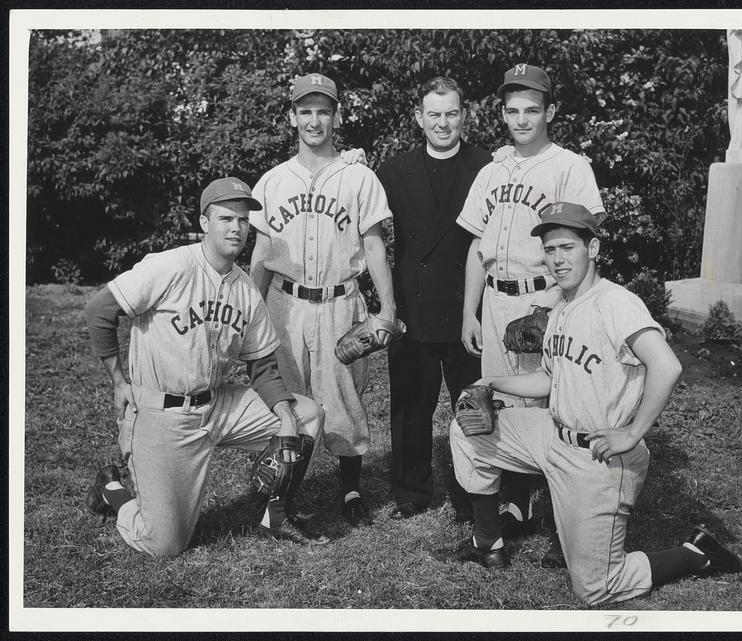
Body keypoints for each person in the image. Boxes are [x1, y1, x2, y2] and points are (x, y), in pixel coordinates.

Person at [438, 202, 742, 605]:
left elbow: (666, 366)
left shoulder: (616, 303)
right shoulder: (562, 305)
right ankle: (488, 542)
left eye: (567, 247)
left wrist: (632, 433)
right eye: (550, 250)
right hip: (552, 435)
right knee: (467, 430)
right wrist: (491, 382)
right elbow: (549, 378)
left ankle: (697, 554)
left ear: (593, 248)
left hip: (597, 457)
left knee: (596, 588)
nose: (557, 259)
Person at [84, 177, 327, 557]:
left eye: (244, 221)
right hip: (162, 415)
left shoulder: (246, 289)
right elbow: (99, 311)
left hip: (218, 405)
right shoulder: (169, 267)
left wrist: (284, 416)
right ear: (204, 222)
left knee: (307, 414)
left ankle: (276, 517)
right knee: (164, 545)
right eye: (226, 218)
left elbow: (262, 367)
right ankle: (112, 491)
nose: (236, 228)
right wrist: (119, 381)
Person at [456, 63, 606, 544]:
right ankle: (510, 509)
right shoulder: (492, 169)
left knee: (545, 402)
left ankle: (549, 508)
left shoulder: (569, 166)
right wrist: (470, 311)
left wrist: (554, 308)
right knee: (497, 403)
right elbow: (477, 247)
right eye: (512, 110)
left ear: (550, 112)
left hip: (544, 296)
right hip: (497, 297)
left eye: (532, 110)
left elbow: (583, 242)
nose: (522, 120)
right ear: (502, 113)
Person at [248, 73, 397, 528]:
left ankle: (351, 489)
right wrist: (248, 314)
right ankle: (280, 491)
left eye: (323, 110)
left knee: (344, 395)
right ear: (292, 117)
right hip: (283, 302)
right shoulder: (272, 181)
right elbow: (259, 254)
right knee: (285, 396)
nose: (315, 120)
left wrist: (386, 310)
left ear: (337, 115)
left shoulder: (358, 176)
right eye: (306, 111)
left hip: (340, 302)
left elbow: (374, 246)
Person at [376, 77, 489, 521]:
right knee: (410, 406)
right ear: (419, 118)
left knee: (474, 406)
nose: (443, 123)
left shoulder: (487, 167)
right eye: (434, 115)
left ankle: (474, 492)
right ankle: (411, 491)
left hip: (468, 308)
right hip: (412, 306)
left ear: (464, 115)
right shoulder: (392, 170)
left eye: (452, 113)